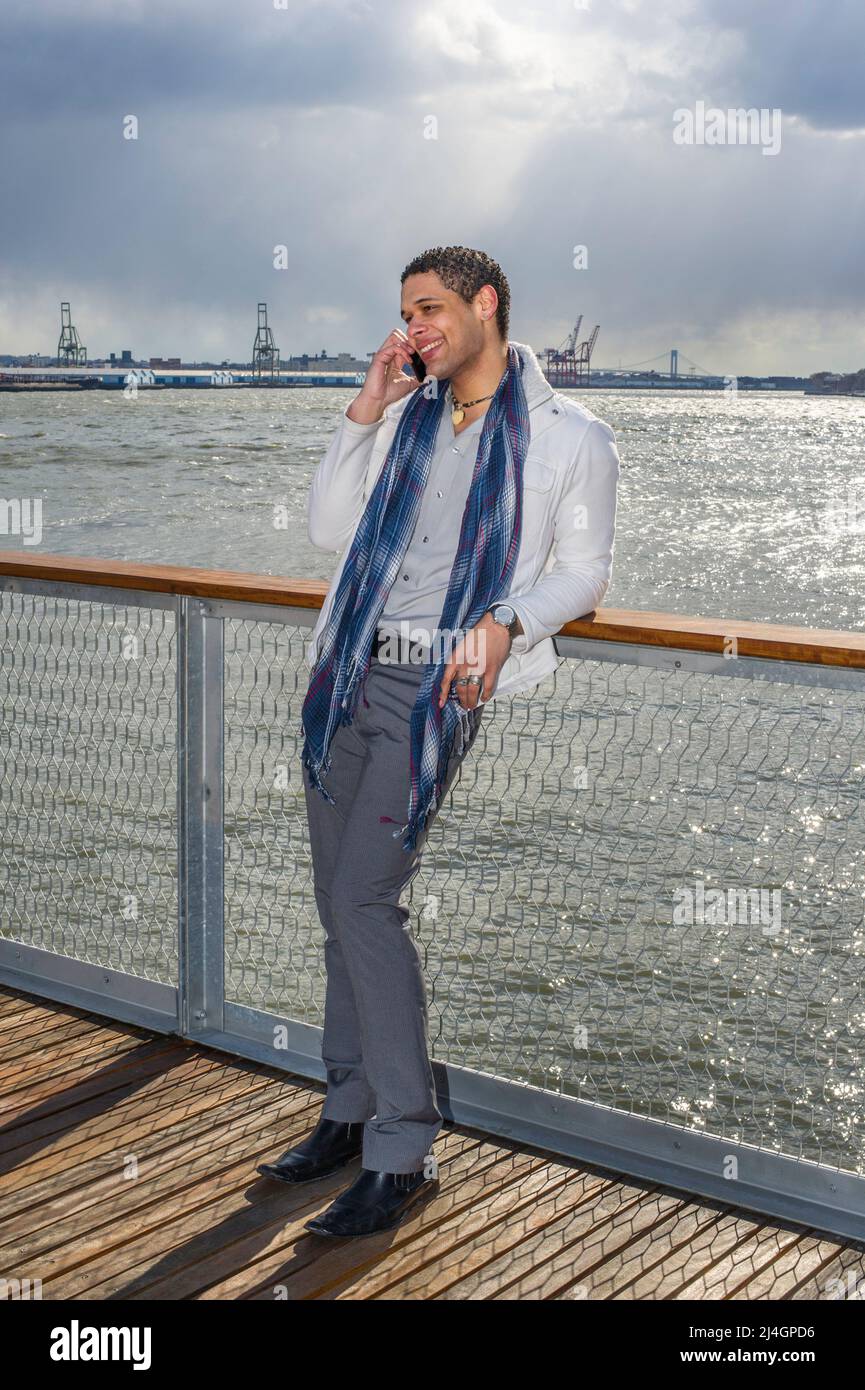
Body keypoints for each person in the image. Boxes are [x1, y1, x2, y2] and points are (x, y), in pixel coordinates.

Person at [258, 245, 621, 1238]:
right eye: (405, 312)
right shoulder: (411, 418)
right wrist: (367, 402)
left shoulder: (568, 435)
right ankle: (346, 1106)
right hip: (348, 672)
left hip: (438, 685)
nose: (414, 327)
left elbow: (583, 573)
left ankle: (401, 1151)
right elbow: (332, 529)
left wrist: (505, 620)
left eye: (429, 309)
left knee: (364, 900)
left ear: (485, 304)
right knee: (338, 898)